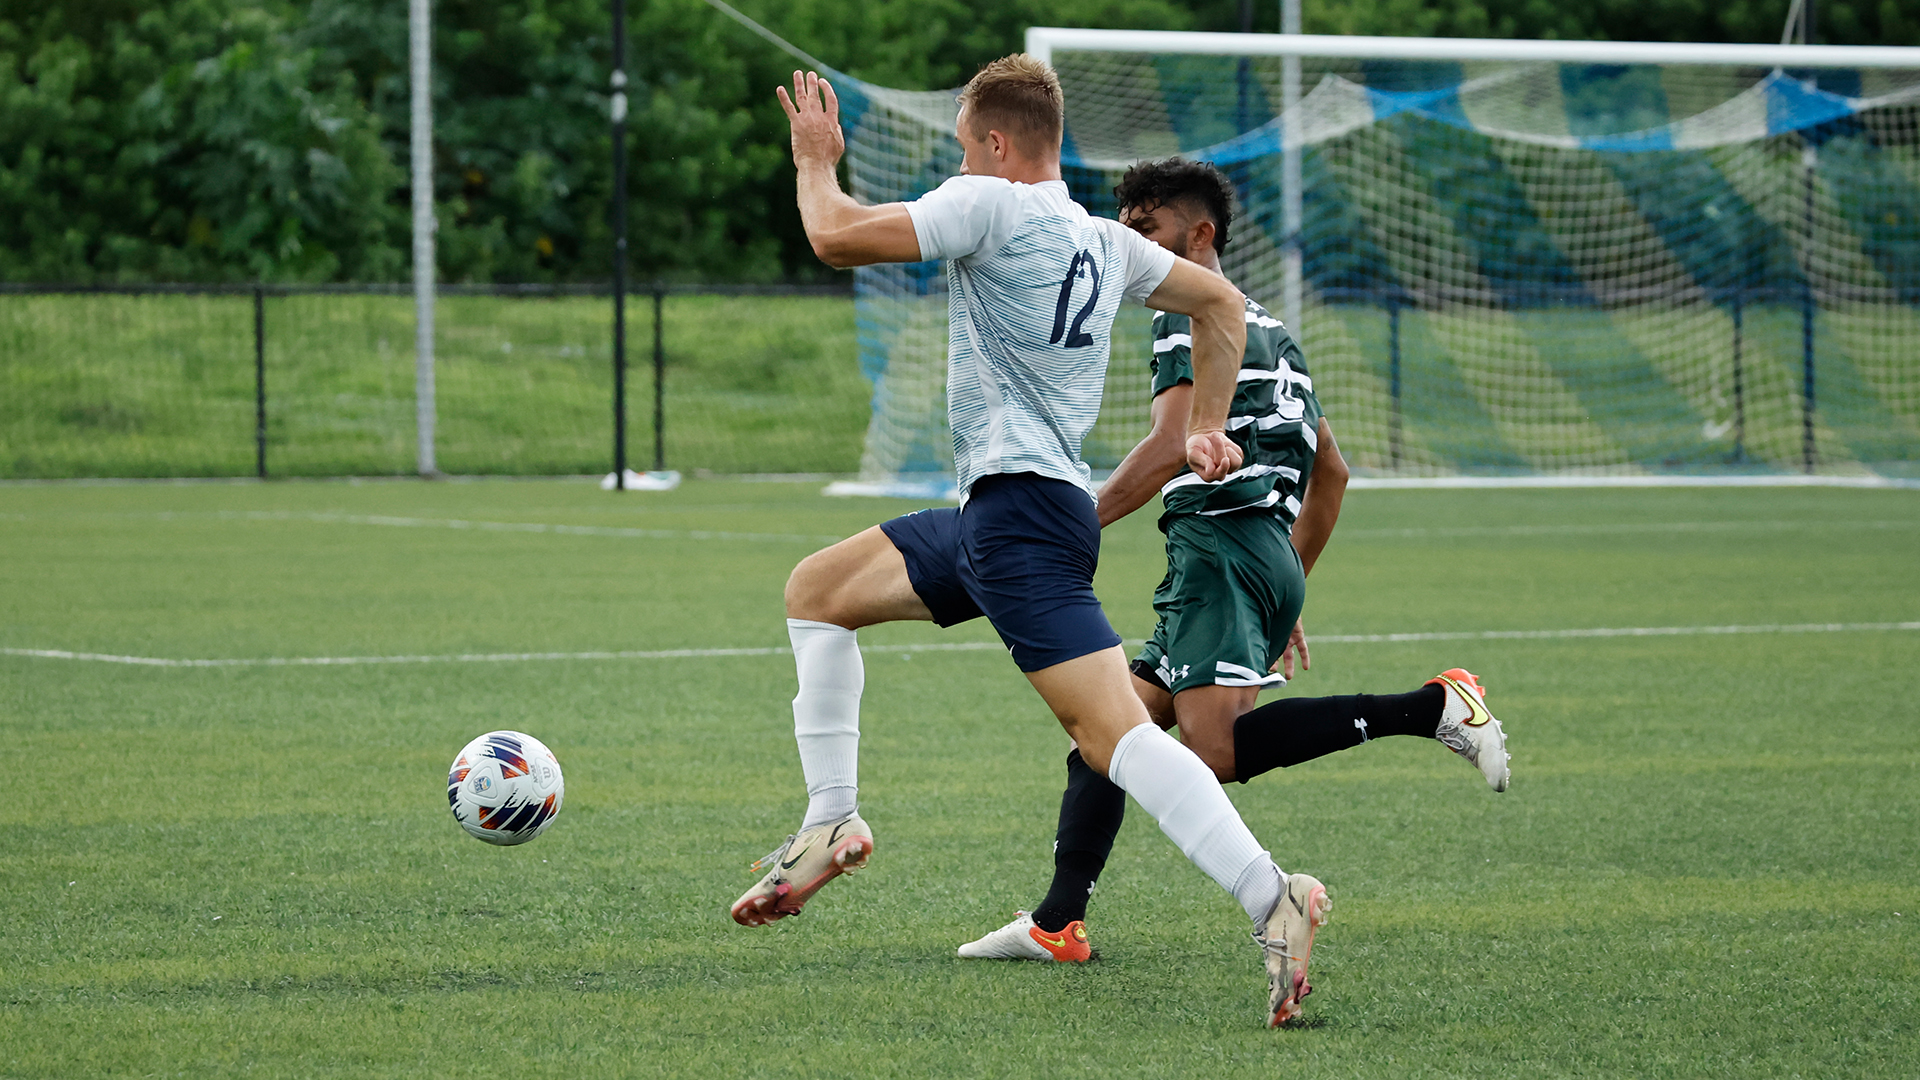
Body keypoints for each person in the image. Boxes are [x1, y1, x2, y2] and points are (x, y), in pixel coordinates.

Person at [731, 57, 1328, 1026]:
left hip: (1019, 527)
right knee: (818, 590)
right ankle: (830, 819)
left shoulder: (988, 205)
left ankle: (1274, 898)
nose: (960, 160)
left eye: (967, 143)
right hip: (1006, 514)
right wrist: (1206, 423)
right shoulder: (1107, 241)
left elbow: (833, 235)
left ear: (998, 145)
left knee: (1116, 738)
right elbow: (1221, 305)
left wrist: (814, 161)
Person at [954, 158, 1510, 965]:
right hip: (1259, 554)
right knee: (1109, 734)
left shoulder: (1184, 312)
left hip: (1218, 547)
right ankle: (1057, 921)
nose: (1129, 241)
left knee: (1212, 751)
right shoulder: (1272, 328)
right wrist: (1282, 590)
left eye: (1145, 228)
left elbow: (1172, 445)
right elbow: (1333, 473)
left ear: (1199, 234)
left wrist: (1075, 520)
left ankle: (1428, 709)